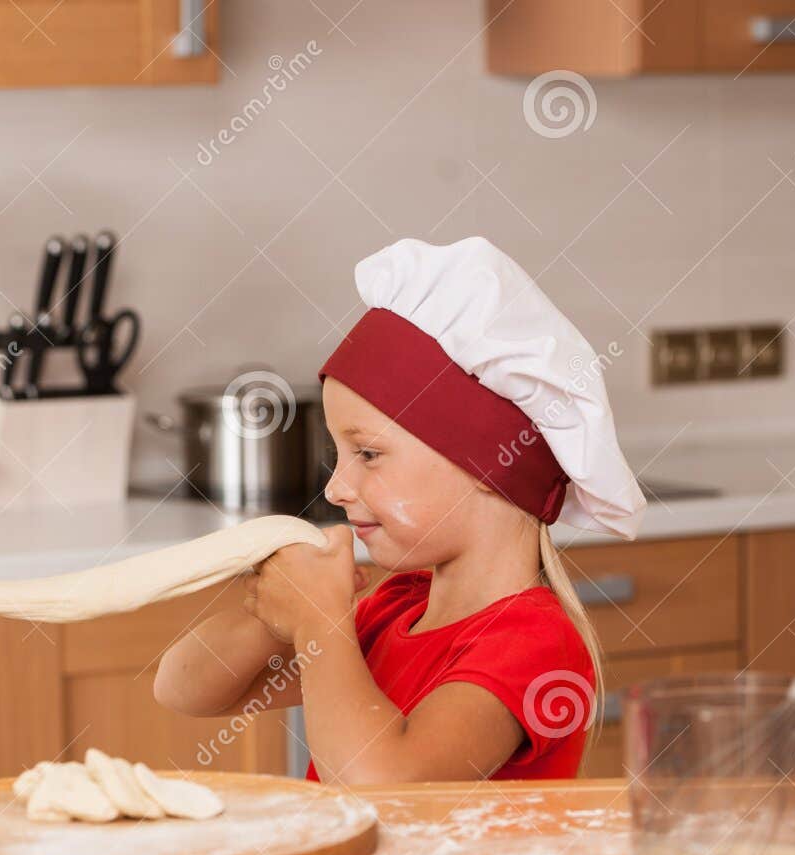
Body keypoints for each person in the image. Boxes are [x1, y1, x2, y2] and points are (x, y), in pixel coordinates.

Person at [155, 237, 645, 784]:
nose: (337, 488)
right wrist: (280, 617)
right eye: (338, 457)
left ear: (488, 467)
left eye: (368, 454)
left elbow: (390, 789)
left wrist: (318, 621)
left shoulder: (534, 642)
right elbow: (183, 688)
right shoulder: (394, 608)